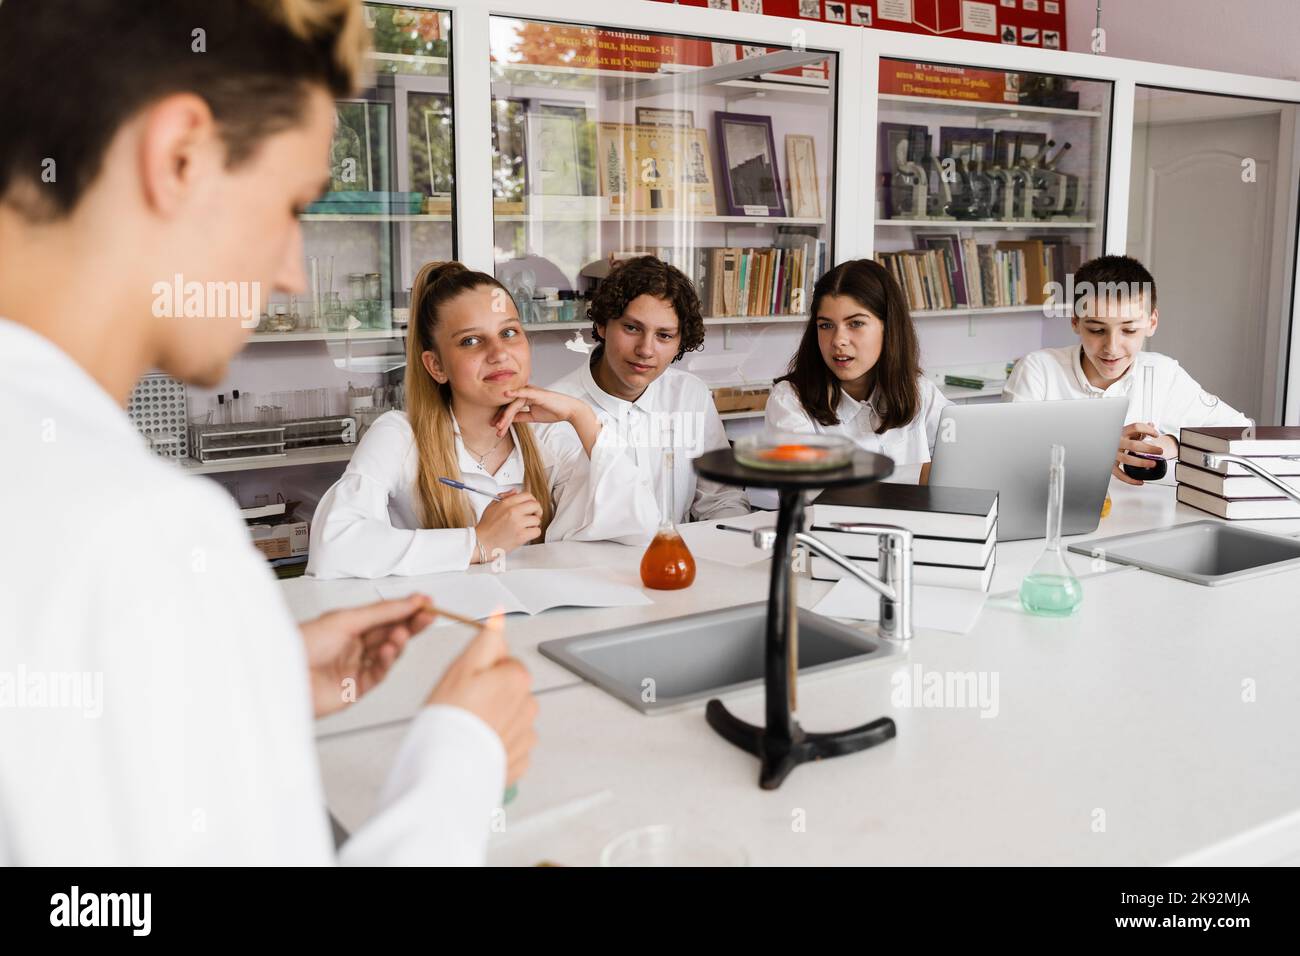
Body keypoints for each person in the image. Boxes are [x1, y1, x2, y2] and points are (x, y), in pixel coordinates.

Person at [0, 0, 536, 864]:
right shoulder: (136, 532)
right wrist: (459, 762)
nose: (290, 275)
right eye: (291, 204)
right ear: (180, 156)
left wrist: (245, 683)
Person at [306, 261, 660, 579]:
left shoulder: (547, 437)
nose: (499, 353)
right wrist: (479, 542)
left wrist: (582, 416)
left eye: (509, 333)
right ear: (437, 366)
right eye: (471, 341)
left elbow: (639, 528)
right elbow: (332, 547)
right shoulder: (399, 436)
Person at [1003, 254, 1251, 485]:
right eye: (1097, 330)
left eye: (1129, 330)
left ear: (1151, 323)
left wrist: (1176, 443)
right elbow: (1006, 458)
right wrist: (1096, 449)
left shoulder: (1163, 373)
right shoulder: (1038, 370)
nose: (1111, 347)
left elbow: (1243, 432)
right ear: (1076, 322)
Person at [544, 255, 749, 525]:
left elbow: (722, 499)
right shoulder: (549, 414)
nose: (645, 350)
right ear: (603, 325)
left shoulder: (690, 396)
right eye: (632, 328)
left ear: (680, 343)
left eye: (664, 335)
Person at [764, 258, 951, 484]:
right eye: (826, 325)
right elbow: (813, 487)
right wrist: (920, 476)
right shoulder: (790, 400)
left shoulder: (920, 391)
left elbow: (964, 459)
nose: (838, 340)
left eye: (855, 324)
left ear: (888, 327)